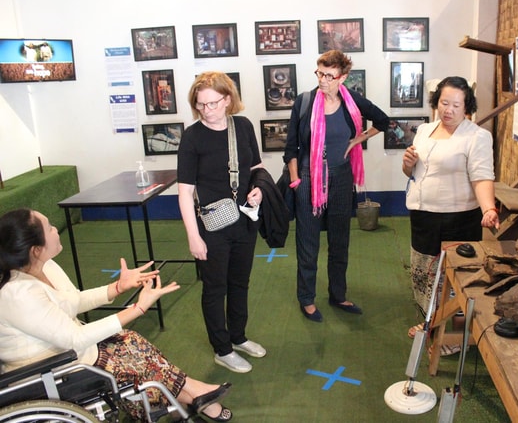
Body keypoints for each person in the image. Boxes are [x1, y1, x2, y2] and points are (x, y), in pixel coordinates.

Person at [0, 208, 233, 422]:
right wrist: (137, 309)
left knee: (131, 340)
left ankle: (188, 396)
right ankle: (193, 395)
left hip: (70, 353)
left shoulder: (45, 266)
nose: (55, 230)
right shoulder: (18, 294)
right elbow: (74, 338)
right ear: (36, 250)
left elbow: (74, 301)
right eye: (49, 228)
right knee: (131, 361)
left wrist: (118, 287)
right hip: (49, 370)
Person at [284, 50, 389, 322]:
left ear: (342, 77)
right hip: (308, 178)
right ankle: (306, 298)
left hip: (342, 177)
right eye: (319, 73)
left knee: (340, 241)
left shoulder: (351, 101)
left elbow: (383, 120)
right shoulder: (304, 102)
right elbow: (291, 148)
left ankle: (338, 294)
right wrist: (296, 181)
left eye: (329, 76)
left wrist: (359, 139)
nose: (322, 80)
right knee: (308, 243)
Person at [177, 71, 265, 373]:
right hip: (212, 225)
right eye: (201, 105)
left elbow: (256, 167)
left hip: (244, 219)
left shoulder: (243, 126)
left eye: (213, 103)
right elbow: (185, 192)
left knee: (240, 282)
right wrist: (193, 236)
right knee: (215, 288)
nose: (207, 110)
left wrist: (259, 189)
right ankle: (222, 349)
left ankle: (238, 337)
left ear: (228, 99)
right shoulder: (192, 137)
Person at [402, 76, 500, 338]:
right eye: (444, 103)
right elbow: (412, 172)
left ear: (467, 107)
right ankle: (430, 325)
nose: (449, 110)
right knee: (424, 273)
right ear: (437, 102)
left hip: (458, 219)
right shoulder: (425, 131)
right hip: (423, 216)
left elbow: (482, 177)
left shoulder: (476, 136)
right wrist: (408, 163)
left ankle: (454, 335)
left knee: (454, 278)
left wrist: (489, 209)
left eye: (456, 105)